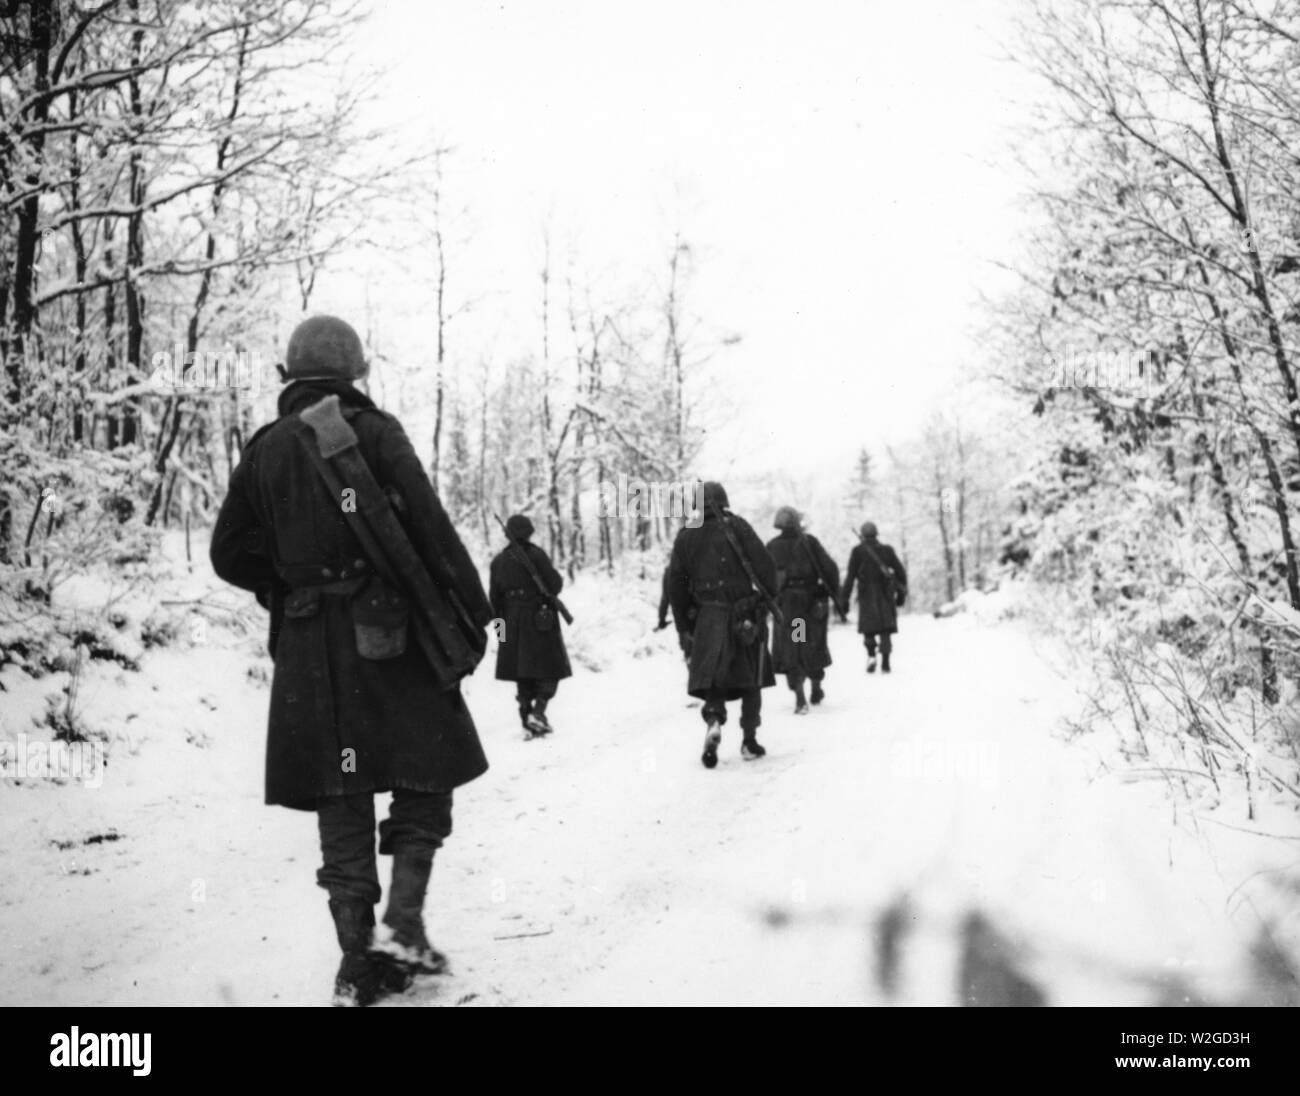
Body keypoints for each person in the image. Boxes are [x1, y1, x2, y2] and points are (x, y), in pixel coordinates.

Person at [210, 315, 493, 1007]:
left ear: (291, 374)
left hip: (311, 646)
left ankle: (356, 964)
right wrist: (470, 612)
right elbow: (429, 527)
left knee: (342, 793)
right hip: (391, 632)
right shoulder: (376, 432)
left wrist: (290, 581)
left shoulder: (267, 448)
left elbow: (228, 553)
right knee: (428, 768)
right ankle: (401, 923)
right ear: (354, 372)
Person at [667, 481, 778, 768]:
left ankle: (714, 719)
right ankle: (749, 740)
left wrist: (685, 624)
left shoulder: (686, 534)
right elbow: (765, 565)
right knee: (751, 678)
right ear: (723, 500)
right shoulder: (737, 526)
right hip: (743, 613)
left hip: (708, 616)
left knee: (715, 678)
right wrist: (768, 597)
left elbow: (675, 584)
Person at [489, 514, 572, 736]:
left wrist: (501, 634)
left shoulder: (498, 561)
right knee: (550, 667)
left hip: (510, 621)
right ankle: (538, 712)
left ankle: (526, 717)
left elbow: (494, 602)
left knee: (521, 671)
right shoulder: (536, 554)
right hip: (539, 619)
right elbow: (555, 584)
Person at [766, 506, 843, 712]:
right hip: (809, 603)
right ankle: (813, 687)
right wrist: (830, 592)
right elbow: (830, 569)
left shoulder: (772, 547)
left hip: (787, 606)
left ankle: (800, 692)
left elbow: (764, 577)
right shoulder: (809, 542)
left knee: (794, 645)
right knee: (811, 643)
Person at [841, 521, 907, 673]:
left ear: (863, 535)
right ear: (876, 534)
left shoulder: (857, 551)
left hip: (866, 596)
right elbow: (900, 573)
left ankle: (871, 656)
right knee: (885, 629)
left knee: (868, 630)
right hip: (886, 594)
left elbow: (850, 576)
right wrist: (901, 595)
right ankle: (885, 662)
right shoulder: (887, 550)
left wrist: (844, 599)